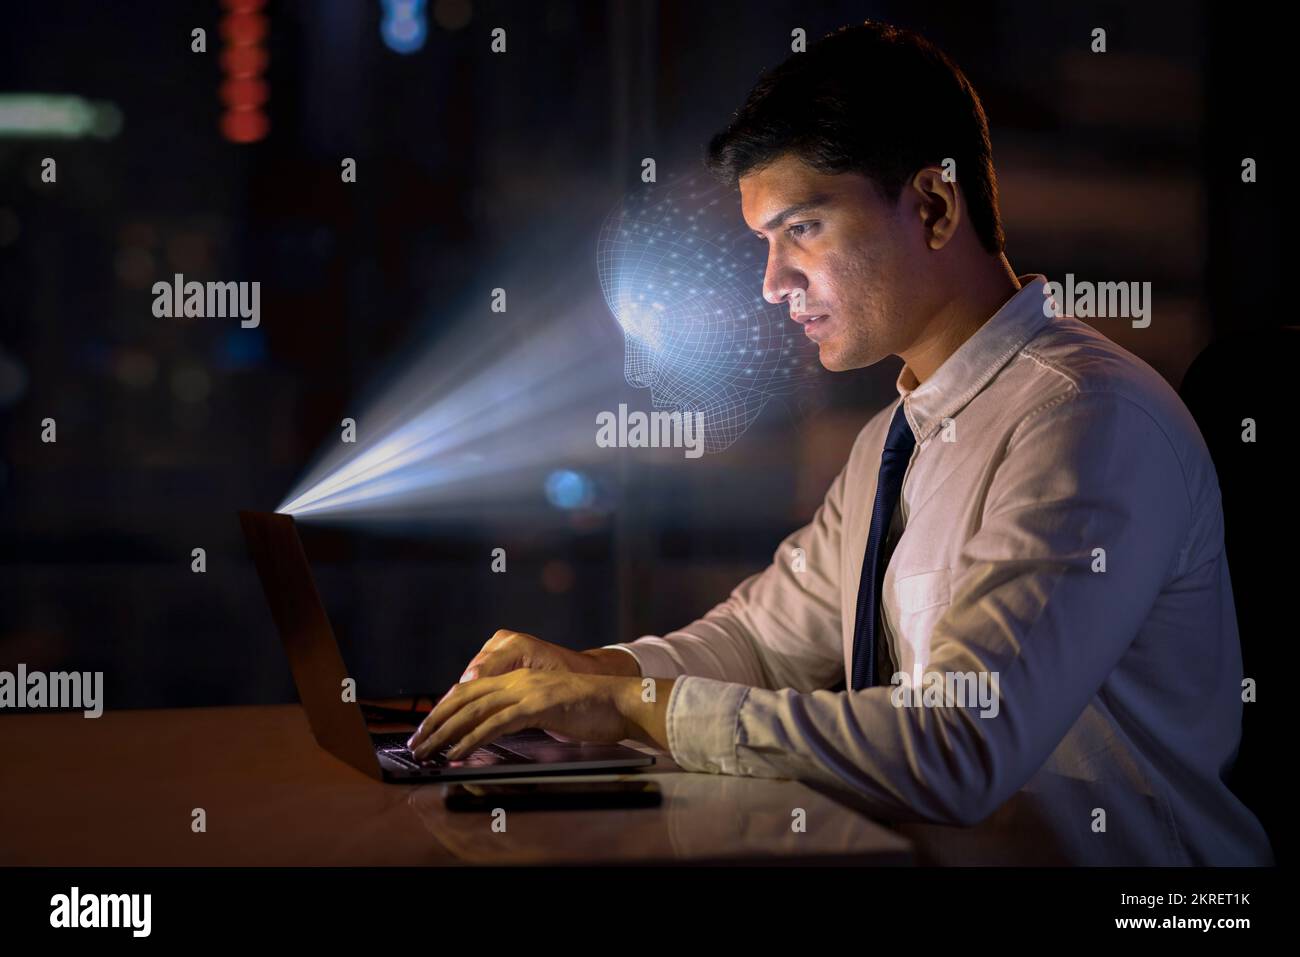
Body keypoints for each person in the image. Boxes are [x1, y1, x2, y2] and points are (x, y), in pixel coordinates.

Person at [406, 20, 1271, 865]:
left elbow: (959, 746)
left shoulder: (1085, 420)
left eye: (802, 229)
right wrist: (583, 677)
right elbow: (762, 641)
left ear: (932, 204)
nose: (775, 282)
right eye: (765, 243)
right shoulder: (894, 439)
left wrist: (633, 704)